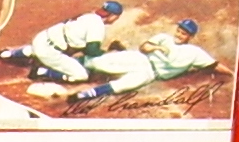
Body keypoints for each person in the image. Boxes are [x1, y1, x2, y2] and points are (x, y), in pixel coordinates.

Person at [58, 19, 218, 103]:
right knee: (99, 63)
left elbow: (215, 65)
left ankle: (84, 95)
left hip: (150, 74)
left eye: (184, 33)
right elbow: (144, 47)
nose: (179, 34)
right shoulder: (164, 38)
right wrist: (157, 48)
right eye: (179, 30)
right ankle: (59, 64)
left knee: (124, 85)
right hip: (140, 59)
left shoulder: (195, 52)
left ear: (190, 36)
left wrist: (231, 74)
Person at [1, 0, 122, 84]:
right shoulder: (97, 26)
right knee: (81, 75)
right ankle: (42, 71)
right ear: (112, 16)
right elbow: (92, 51)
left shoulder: (88, 15)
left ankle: (8, 54)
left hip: (41, 38)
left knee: (57, 45)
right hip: (49, 52)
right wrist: (108, 53)